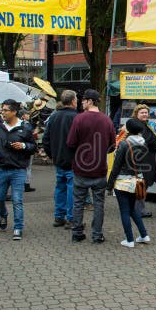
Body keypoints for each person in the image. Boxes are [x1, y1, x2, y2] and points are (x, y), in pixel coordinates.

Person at [66, 89, 115, 244]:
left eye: (83, 100)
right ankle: (97, 235)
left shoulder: (79, 119)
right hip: (99, 169)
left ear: (90, 101)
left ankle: (77, 233)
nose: (81, 102)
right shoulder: (107, 120)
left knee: (78, 202)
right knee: (99, 203)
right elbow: (112, 146)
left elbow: (70, 143)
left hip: (81, 168)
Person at [0, 99, 37, 241]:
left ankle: (18, 227)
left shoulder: (25, 128)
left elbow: (33, 147)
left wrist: (23, 146)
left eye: (5, 110)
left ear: (14, 112)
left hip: (18, 169)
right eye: (2, 110)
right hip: (2, 168)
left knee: (17, 200)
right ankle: (3, 215)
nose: (3, 113)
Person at [107, 118, 152, 247]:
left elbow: (116, 166)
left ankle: (129, 240)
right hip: (137, 180)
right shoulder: (144, 143)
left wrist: (109, 185)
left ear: (128, 129)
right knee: (132, 209)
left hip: (123, 181)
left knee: (125, 211)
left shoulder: (124, 144)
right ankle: (144, 235)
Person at [117, 103, 156, 219]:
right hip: (142, 161)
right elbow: (145, 141)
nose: (145, 114)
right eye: (142, 112)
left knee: (142, 185)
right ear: (136, 114)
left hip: (148, 160)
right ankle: (138, 210)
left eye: (146, 112)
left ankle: (136, 209)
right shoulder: (136, 126)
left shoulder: (146, 125)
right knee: (141, 185)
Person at [42, 90, 78, 229]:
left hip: (58, 159)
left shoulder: (54, 117)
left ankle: (59, 216)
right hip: (73, 159)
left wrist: (52, 155)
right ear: (73, 101)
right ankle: (71, 218)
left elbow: (46, 138)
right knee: (71, 189)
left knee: (60, 187)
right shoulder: (76, 117)